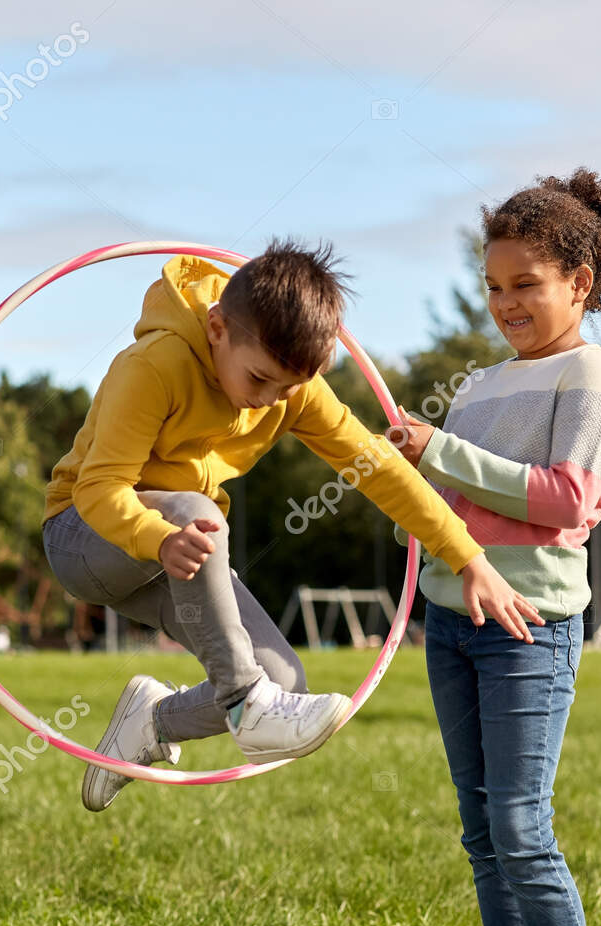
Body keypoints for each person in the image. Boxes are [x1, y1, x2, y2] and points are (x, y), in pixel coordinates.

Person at [40, 240, 542, 811]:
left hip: (177, 552)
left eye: (287, 388)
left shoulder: (291, 388)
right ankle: (244, 701)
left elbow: (376, 468)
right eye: (259, 380)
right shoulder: (154, 366)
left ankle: (151, 722)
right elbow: (100, 489)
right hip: (86, 538)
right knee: (202, 520)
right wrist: (160, 538)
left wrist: (468, 556)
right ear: (216, 328)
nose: (268, 402)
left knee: (283, 680)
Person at [391, 170, 601, 926]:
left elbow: (567, 501)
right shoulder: (477, 387)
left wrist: (443, 454)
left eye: (526, 285)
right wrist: (402, 466)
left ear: (580, 284)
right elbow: (455, 504)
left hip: (529, 627)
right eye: (494, 287)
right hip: (451, 622)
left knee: (519, 823)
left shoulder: (592, 375)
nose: (506, 303)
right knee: (482, 832)